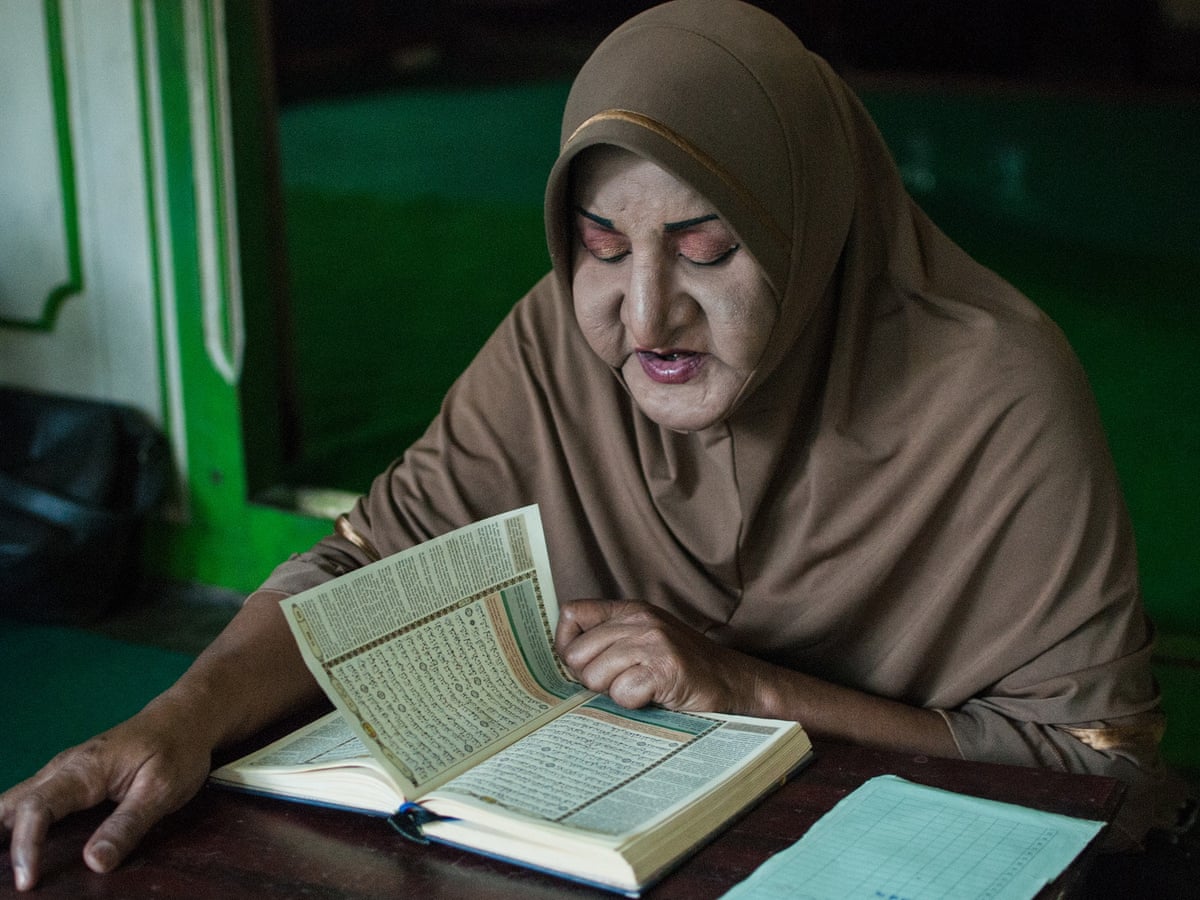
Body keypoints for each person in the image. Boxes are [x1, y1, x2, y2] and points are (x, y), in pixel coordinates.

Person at [1, 0, 1182, 890]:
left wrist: (750, 690)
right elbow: (363, 566)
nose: (646, 314)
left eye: (708, 246)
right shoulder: (559, 341)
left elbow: (1096, 770)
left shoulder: (992, 391)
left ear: (813, 226)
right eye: (602, 245)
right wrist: (177, 720)